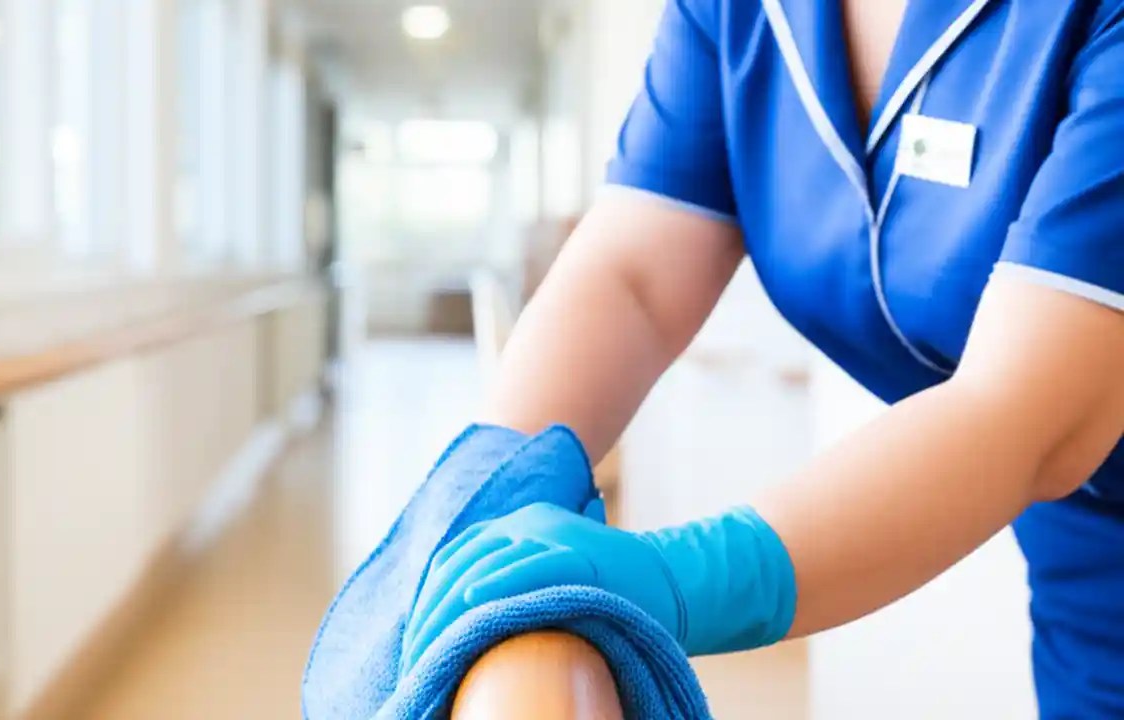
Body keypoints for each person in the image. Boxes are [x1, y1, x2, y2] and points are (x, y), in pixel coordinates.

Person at [399, 0, 1124, 715]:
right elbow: (634, 280)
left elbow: (1035, 414)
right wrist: (492, 490)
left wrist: (677, 577)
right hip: (1086, 577)